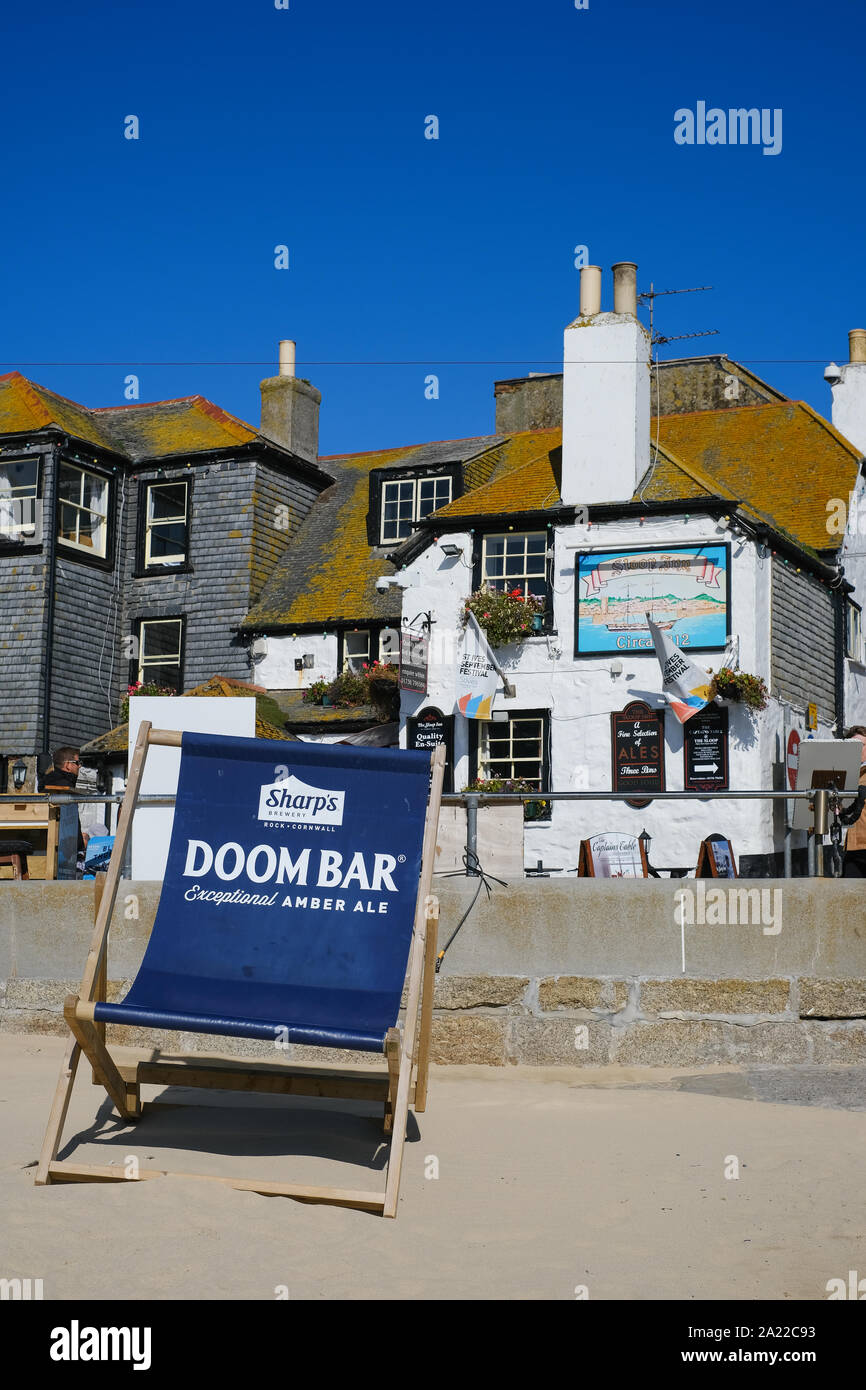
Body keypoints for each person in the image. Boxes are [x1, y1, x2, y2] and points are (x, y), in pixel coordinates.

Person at [39, 747, 87, 866]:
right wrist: (80, 847)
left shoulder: (48, 781)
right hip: (63, 850)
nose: (79, 766)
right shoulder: (63, 786)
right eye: (77, 763)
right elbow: (71, 821)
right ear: (67, 765)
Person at [842, 726, 866, 878]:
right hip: (853, 844)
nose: (856, 750)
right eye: (853, 746)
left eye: (861, 745)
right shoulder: (847, 773)